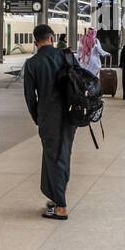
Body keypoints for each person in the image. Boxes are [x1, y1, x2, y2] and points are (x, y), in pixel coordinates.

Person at [23, 24, 76, 220]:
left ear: (35, 42)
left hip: (48, 117)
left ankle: (61, 206)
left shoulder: (32, 63)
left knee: (54, 158)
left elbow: (30, 97)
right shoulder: (66, 56)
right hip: (71, 115)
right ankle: (55, 197)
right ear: (52, 38)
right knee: (62, 155)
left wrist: (38, 117)